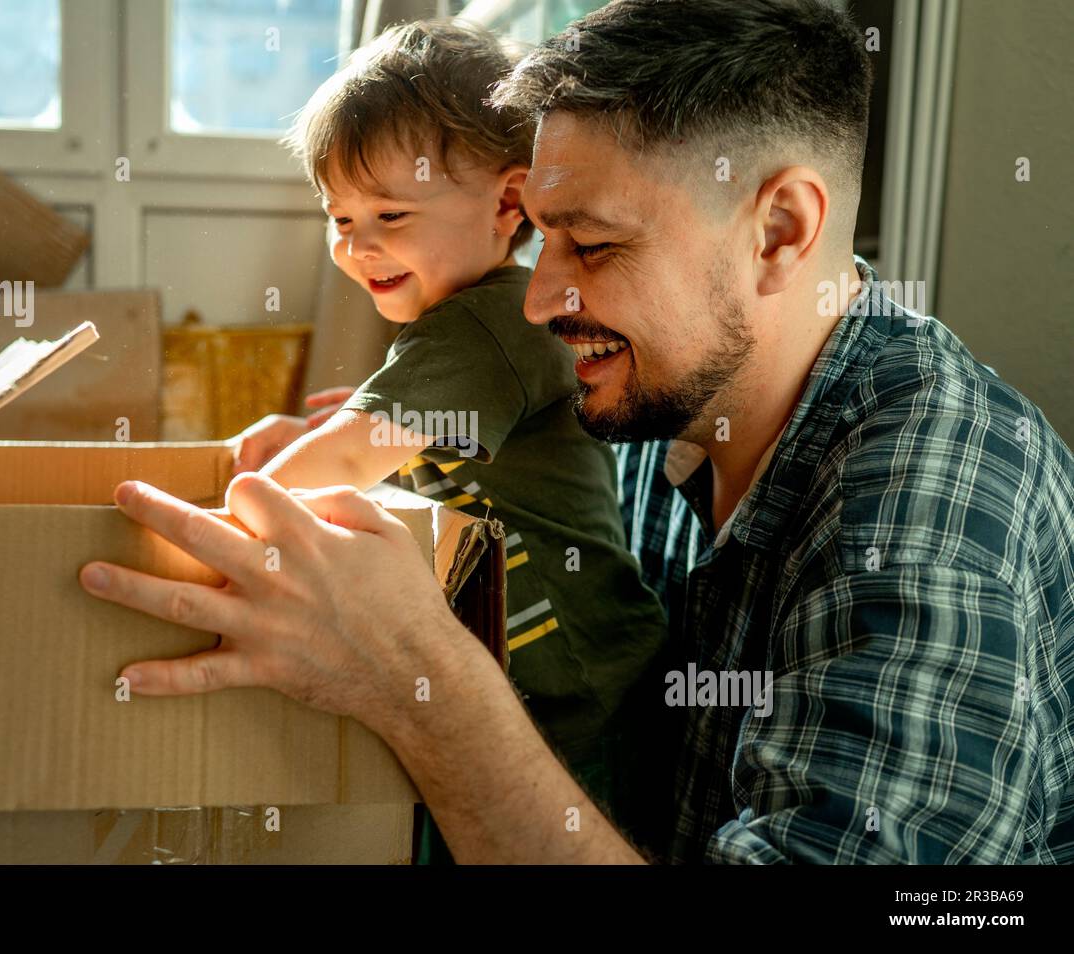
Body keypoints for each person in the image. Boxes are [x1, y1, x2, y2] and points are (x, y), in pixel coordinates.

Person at [80, 0, 1074, 863]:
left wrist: (423, 686)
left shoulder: (926, 523)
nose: (541, 299)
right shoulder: (652, 387)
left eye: (592, 244)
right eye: (539, 236)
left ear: (777, 232)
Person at [234, 20, 667, 860]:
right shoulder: (464, 320)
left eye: (390, 213)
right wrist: (320, 432)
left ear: (508, 204)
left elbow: (359, 456)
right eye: (340, 217)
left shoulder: (488, 322)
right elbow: (396, 443)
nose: (358, 245)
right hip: (543, 673)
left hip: (579, 683)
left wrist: (231, 515)